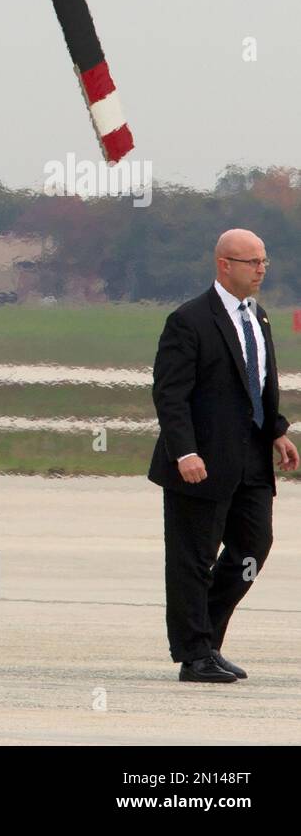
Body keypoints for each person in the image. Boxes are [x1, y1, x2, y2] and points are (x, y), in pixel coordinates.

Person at [148, 228, 298, 682]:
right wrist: (185, 452)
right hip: (200, 463)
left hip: (251, 459)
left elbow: (256, 384)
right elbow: (170, 395)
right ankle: (194, 656)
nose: (261, 270)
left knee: (253, 548)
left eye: (264, 261)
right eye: (251, 262)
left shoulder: (260, 317)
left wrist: (276, 431)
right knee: (192, 558)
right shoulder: (189, 320)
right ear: (224, 265)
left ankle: (205, 637)